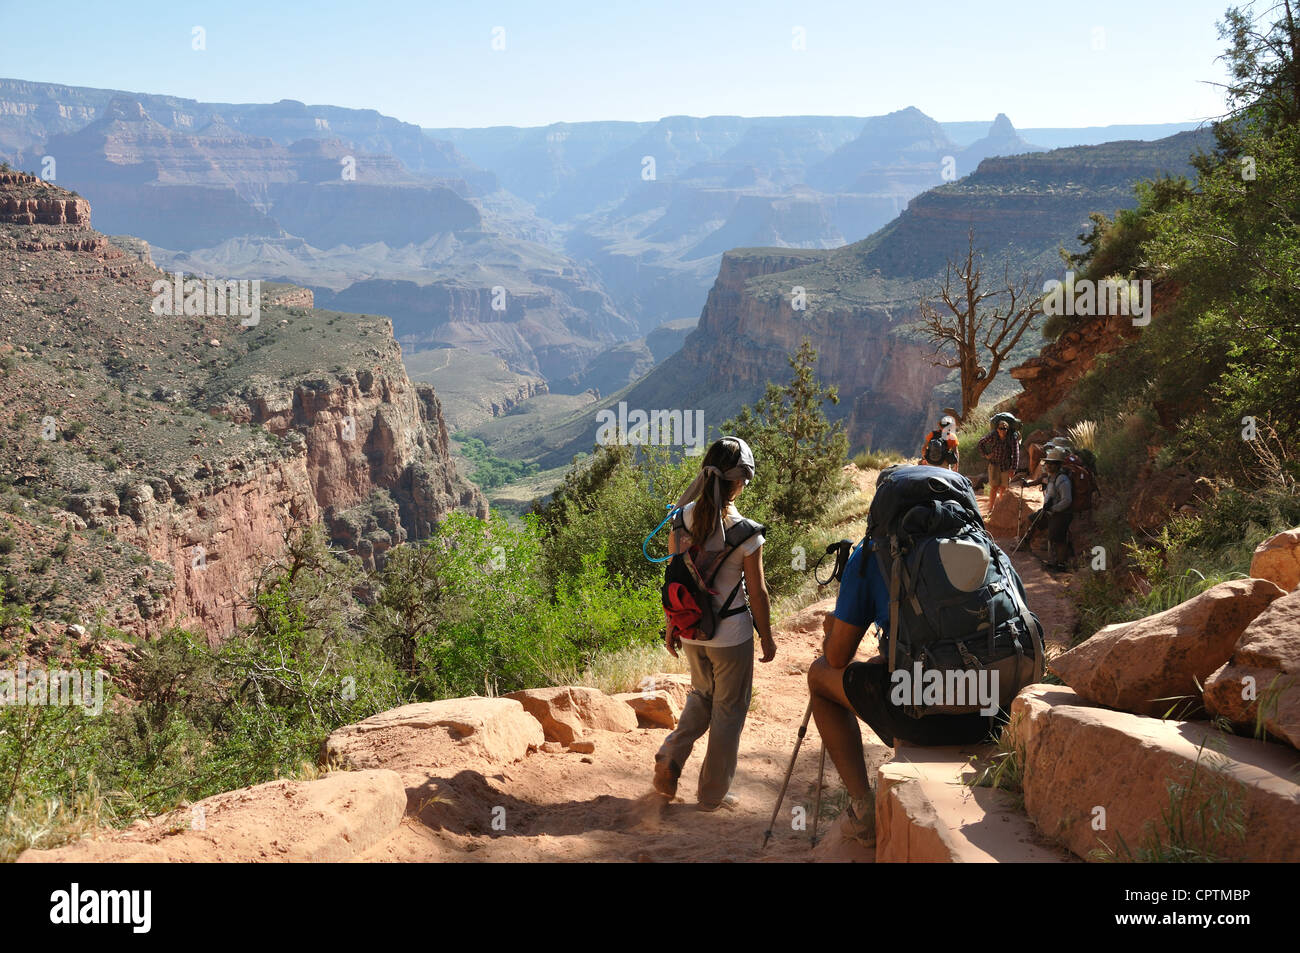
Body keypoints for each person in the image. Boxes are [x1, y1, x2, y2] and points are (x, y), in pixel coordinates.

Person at [806, 540, 997, 845]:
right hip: (994, 707)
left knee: (819, 675)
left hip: (926, 715)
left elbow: (837, 658)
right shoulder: (980, 540)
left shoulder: (873, 551)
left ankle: (864, 810)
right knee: (884, 664)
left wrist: (832, 629)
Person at [653, 437, 777, 810]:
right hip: (732, 636)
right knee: (727, 712)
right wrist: (767, 638)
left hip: (693, 632)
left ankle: (671, 754)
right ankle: (711, 794)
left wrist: (671, 624)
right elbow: (758, 593)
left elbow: (675, 579)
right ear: (738, 483)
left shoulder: (680, 518)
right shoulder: (748, 534)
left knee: (701, 696)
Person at [1018, 446, 1074, 571]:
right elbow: (1039, 480)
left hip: (1061, 514)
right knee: (1031, 520)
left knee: (1057, 538)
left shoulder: (1062, 480)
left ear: (1058, 465)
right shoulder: (1050, 477)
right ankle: (1026, 544)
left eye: (1051, 463)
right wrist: (1027, 484)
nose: (1048, 465)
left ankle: (1061, 564)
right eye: (1047, 463)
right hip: (1049, 511)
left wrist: (1053, 508)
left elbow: (1067, 500)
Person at [978, 418, 1020, 510]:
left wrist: (1013, 468)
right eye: (1001, 428)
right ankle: (991, 508)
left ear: (1007, 429)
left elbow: (1016, 453)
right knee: (994, 487)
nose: (1002, 430)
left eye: (1004, 428)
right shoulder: (993, 435)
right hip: (994, 465)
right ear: (997, 429)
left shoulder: (1012, 437)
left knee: (1003, 487)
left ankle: (1000, 508)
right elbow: (981, 442)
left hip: (1006, 465)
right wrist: (986, 455)